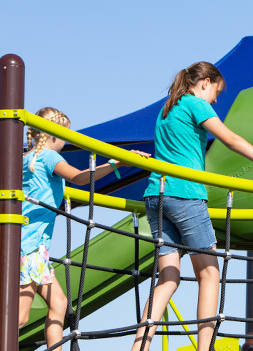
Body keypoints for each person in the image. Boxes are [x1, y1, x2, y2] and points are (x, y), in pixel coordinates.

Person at [131, 62, 253, 351]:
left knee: (169, 277)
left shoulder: (167, 110)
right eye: (217, 93)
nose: (216, 100)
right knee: (209, 273)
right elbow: (231, 139)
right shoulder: (195, 104)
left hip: (156, 196)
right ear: (205, 83)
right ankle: (204, 348)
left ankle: (139, 347)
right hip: (185, 194)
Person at [19, 107, 149, 349]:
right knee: (19, 317)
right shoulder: (48, 157)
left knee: (59, 303)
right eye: (65, 135)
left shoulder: (27, 159)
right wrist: (116, 162)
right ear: (53, 135)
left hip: (33, 244)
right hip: (30, 246)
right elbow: (79, 178)